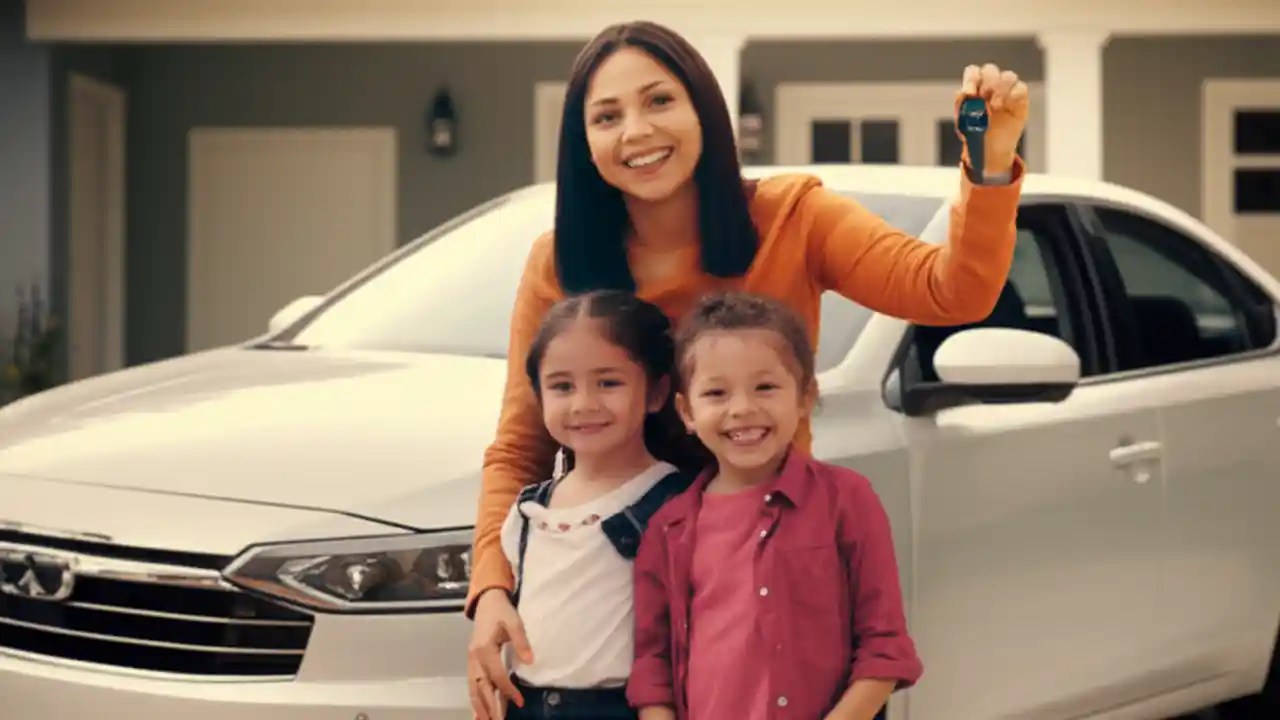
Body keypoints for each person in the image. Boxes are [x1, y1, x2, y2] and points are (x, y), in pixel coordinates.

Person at [467, 18, 1027, 714]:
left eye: (659, 101)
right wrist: (491, 588)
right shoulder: (558, 264)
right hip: (611, 627)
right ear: (582, 142)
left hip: (771, 590)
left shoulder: (796, 218)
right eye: (606, 116)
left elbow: (953, 289)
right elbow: (522, 448)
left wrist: (991, 162)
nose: (636, 131)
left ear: (704, 105)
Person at [628, 290, 923, 720]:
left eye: (765, 387)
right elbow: (652, 669)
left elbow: (884, 646)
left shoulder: (847, 500)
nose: (743, 409)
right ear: (686, 411)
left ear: (805, 397)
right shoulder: (668, 528)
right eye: (716, 393)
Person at [480, 289, 699, 720]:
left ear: (656, 394)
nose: (583, 404)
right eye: (562, 386)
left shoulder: (677, 505)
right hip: (527, 706)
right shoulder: (527, 512)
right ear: (539, 397)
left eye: (608, 382)